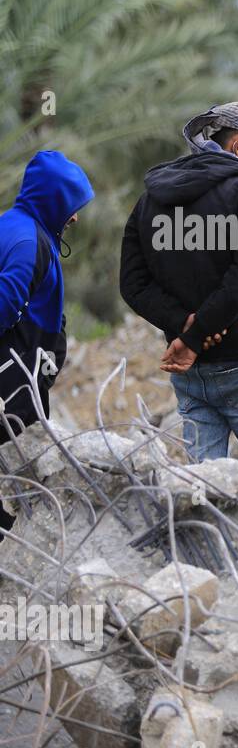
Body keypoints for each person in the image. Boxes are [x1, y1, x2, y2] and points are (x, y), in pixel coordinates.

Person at [119, 101, 238, 500]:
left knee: (203, 481)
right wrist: (198, 335)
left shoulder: (151, 199)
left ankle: (211, 560)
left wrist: (184, 328)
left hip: (188, 371)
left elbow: (132, 283)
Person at [0, 151, 93, 539]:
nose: (73, 217)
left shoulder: (13, 223)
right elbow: (5, 303)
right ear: (52, 200)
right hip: (12, 382)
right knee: (18, 475)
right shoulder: (27, 241)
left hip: (19, 375)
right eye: (70, 206)